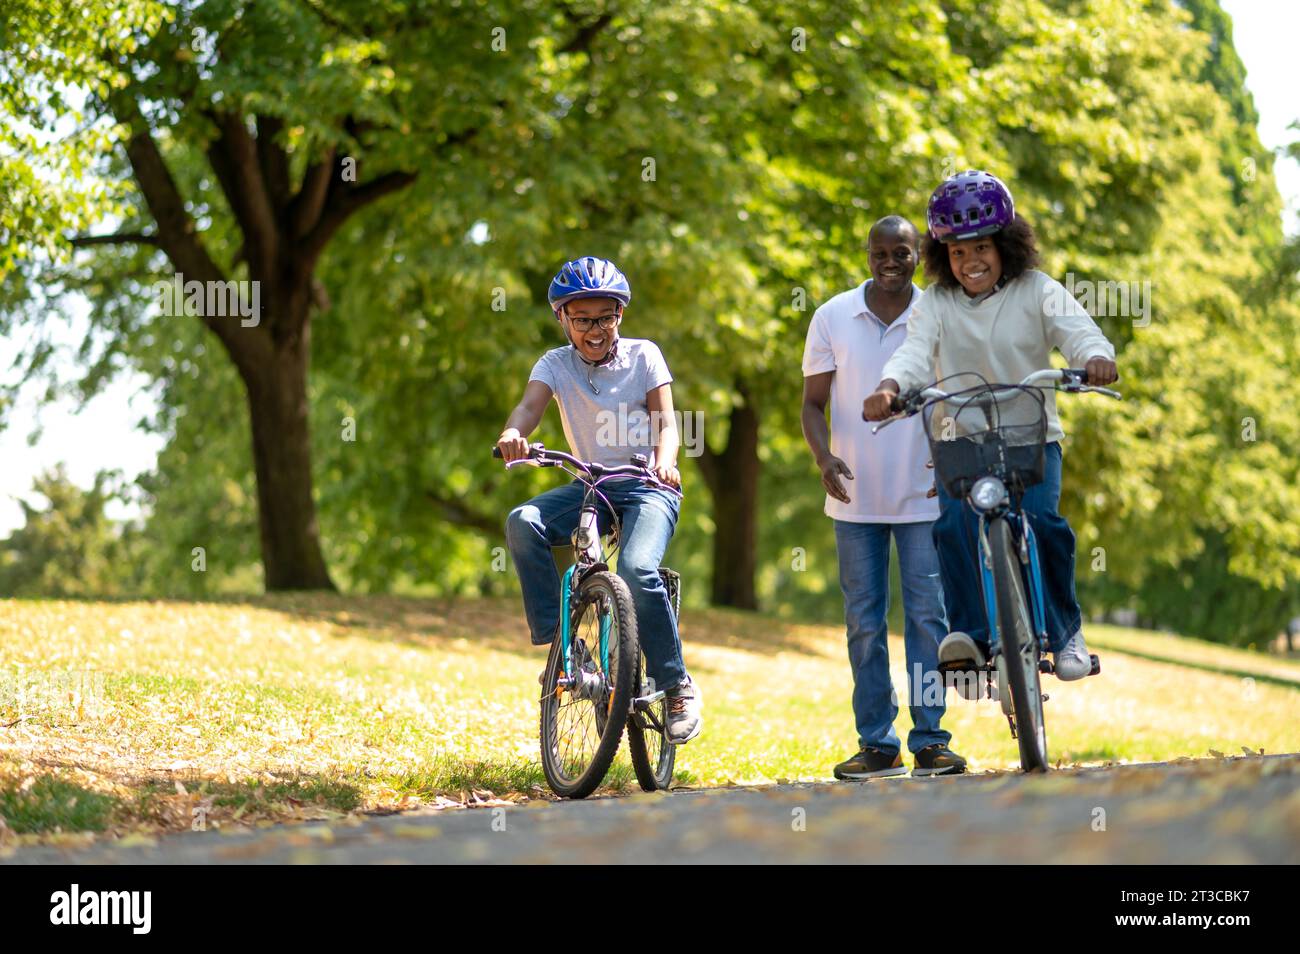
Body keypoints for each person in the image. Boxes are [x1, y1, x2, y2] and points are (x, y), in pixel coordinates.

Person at [864, 170, 1119, 693]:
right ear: (942, 256)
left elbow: (1078, 332)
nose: (969, 262)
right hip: (961, 437)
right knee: (953, 526)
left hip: (1032, 434)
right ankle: (970, 639)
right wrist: (890, 386)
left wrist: (1095, 359)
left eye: (980, 248)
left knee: (1045, 523)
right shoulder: (935, 302)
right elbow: (914, 353)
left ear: (1005, 245)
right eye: (956, 253)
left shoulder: (1036, 290)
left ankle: (1067, 634)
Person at [497, 256, 702, 744]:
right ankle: (562, 650)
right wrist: (512, 433)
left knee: (635, 569)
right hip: (591, 484)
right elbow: (529, 406)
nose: (595, 329)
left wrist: (665, 460)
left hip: (648, 485)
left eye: (604, 317)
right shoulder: (554, 364)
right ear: (562, 318)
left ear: (620, 316)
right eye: (582, 318)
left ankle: (676, 686)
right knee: (522, 521)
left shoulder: (645, 356)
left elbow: (667, 423)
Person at [802, 216, 966, 779]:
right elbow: (811, 405)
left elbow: (957, 397)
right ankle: (877, 743)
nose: (890, 262)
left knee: (928, 620)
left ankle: (930, 740)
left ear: (919, 254)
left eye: (902, 252)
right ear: (867, 254)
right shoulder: (831, 316)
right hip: (854, 499)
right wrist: (823, 459)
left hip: (923, 496)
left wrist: (947, 464)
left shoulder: (938, 314)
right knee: (864, 623)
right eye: (880, 253)